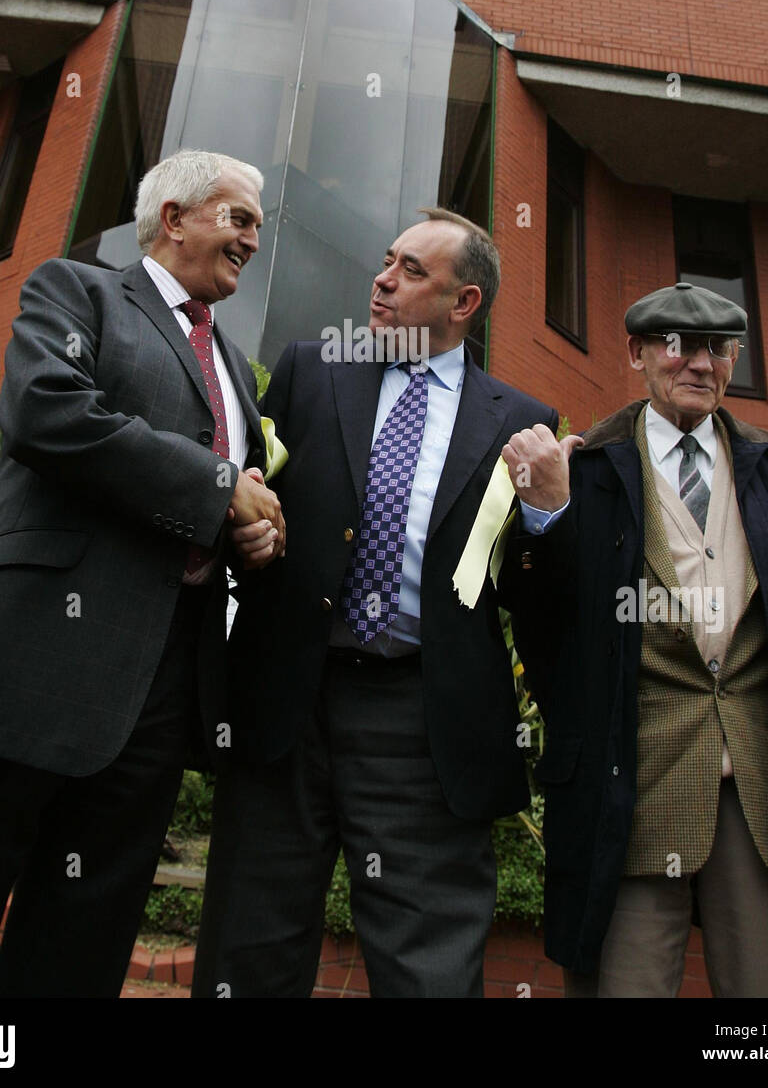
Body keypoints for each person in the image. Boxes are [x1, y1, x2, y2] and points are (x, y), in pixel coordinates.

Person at [0, 148, 284, 998]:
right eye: (236, 217)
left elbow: (222, 504)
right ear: (173, 217)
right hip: (29, 664)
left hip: (159, 693)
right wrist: (216, 489)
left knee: (79, 946)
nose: (251, 237)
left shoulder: (236, 368)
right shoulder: (77, 291)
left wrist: (251, 533)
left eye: (257, 225)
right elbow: (48, 415)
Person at [192, 209, 565, 998]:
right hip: (289, 701)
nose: (383, 279)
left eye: (411, 271)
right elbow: (255, 505)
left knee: (426, 968)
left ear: (463, 303)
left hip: (422, 723)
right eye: (386, 260)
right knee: (248, 950)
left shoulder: (523, 424)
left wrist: (549, 517)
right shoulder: (306, 370)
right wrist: (248, 533)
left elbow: (529, 599)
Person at [507, 280, 768, 996]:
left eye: (715, 347)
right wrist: (545, 517)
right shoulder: (585, 468)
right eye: (676, 346)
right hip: (631, 787)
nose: (698, 363)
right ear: (638, 352)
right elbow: (541, 627)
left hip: (760, 789)